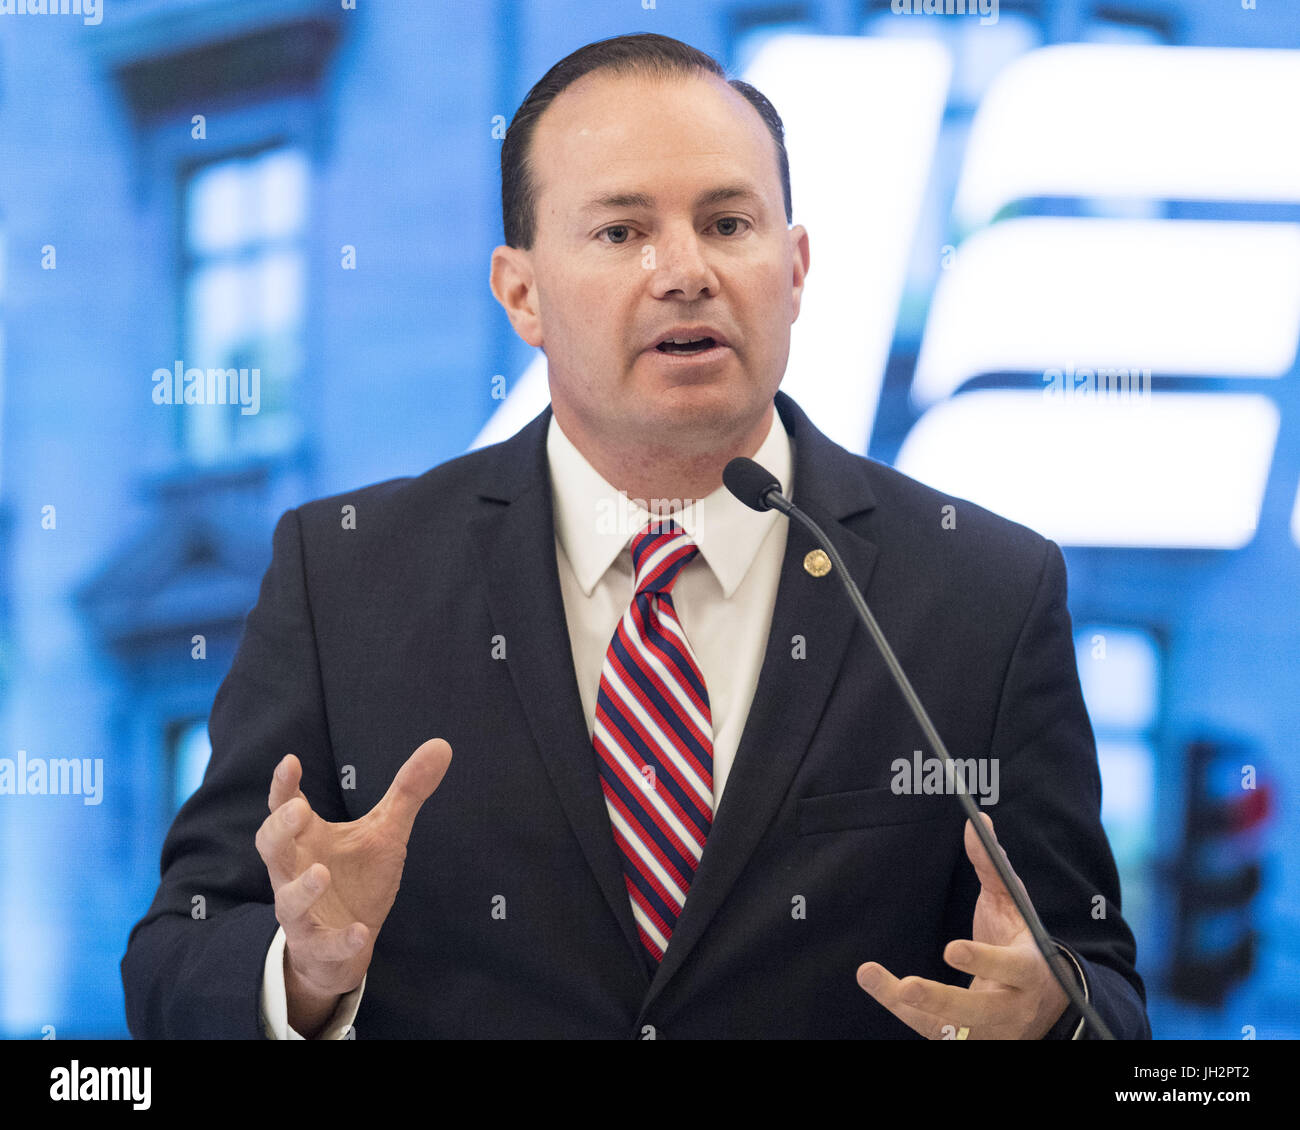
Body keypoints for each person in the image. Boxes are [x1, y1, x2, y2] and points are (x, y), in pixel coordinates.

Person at [121, 32, 1151, 1040]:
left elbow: (1098, 980)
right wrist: (303, 973)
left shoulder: (984, 592)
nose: (685, 271)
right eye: (621, 232)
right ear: (520, 291)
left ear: (794, 270)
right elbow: (174, 960)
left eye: (728, 223)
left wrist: (1052, 1016)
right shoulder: (345, 574)